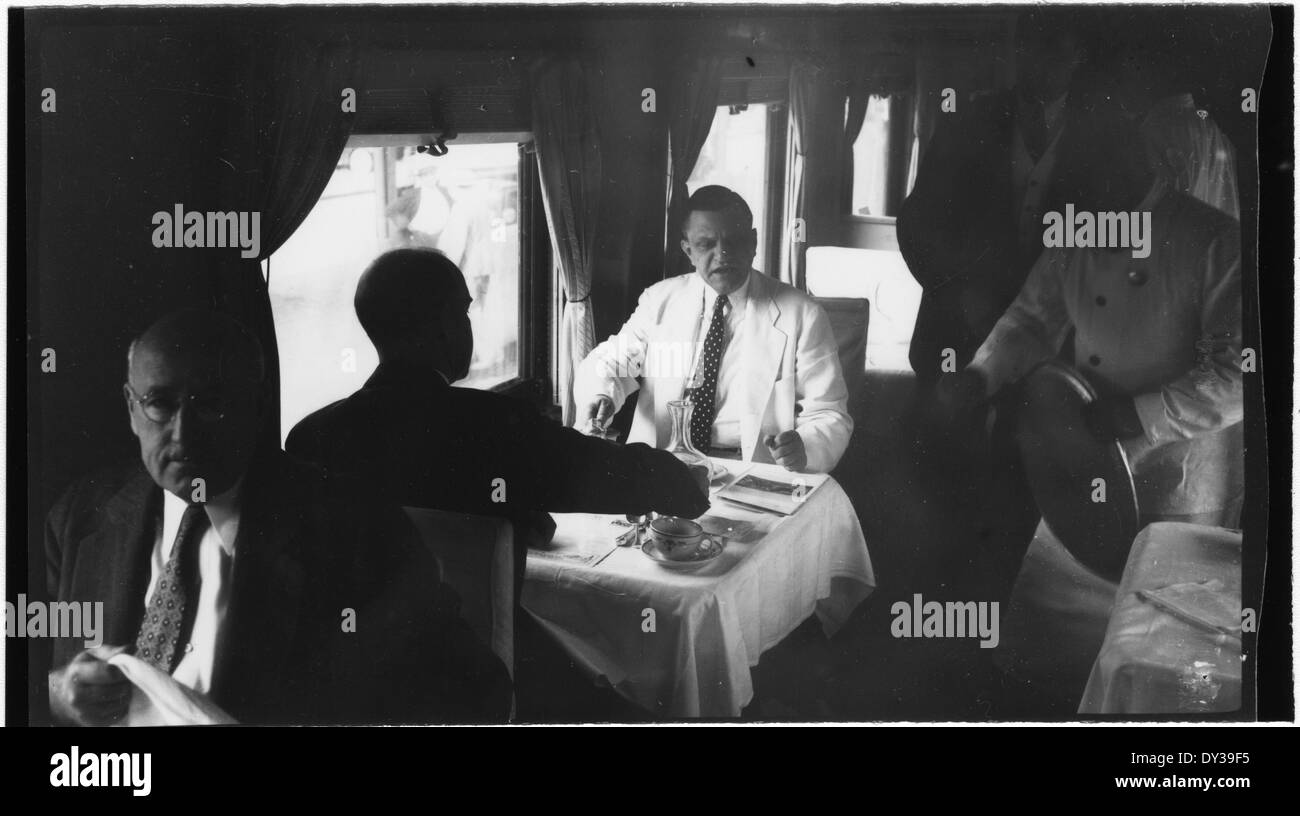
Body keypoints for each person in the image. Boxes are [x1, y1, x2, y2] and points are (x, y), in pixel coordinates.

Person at [44, 310, 510, 726]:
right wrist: (62, 695)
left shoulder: (354, 525)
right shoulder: (79, 517)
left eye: (211, 403)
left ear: (257, 407)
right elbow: (21, 681)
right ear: (131, 408)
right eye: (160, 405)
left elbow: (476, 693)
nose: (183, 435)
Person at [944, 113, 1244, 530]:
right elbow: (1031, 319)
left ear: (1134, 160)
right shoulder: (1078, 228)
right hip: (1082, 466)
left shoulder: (1216, 242)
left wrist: (1140, 414)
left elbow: (1235, 375)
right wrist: (982, 373)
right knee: (1046, 592)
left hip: (1181, 486)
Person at [285, 248, 712, 524]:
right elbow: (597, 471)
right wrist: (683, 481)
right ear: (444, 328)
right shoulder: (490, 424)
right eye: (465, 313)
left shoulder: (310, 436)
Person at [575, 186, 852, 474]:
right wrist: (602, 395)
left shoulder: (802, 314)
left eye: (734, 240)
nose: (722, 254)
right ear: (688, 250)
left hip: (753, 471)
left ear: (754, 242)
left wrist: (804, 446)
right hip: (665, 468)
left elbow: (829, 413)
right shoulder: (659, 300)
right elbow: (612, 361)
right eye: (706, 244)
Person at [898, 10, 1093, 379]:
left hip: (1054, 348)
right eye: (1031, 48)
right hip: (955, 336)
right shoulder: (966, 122)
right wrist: (959, 290)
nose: (1042, 62)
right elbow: (915, 224)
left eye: (1057, 51)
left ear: (1078, 55)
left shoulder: (1100, 139)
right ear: (1017, 51)